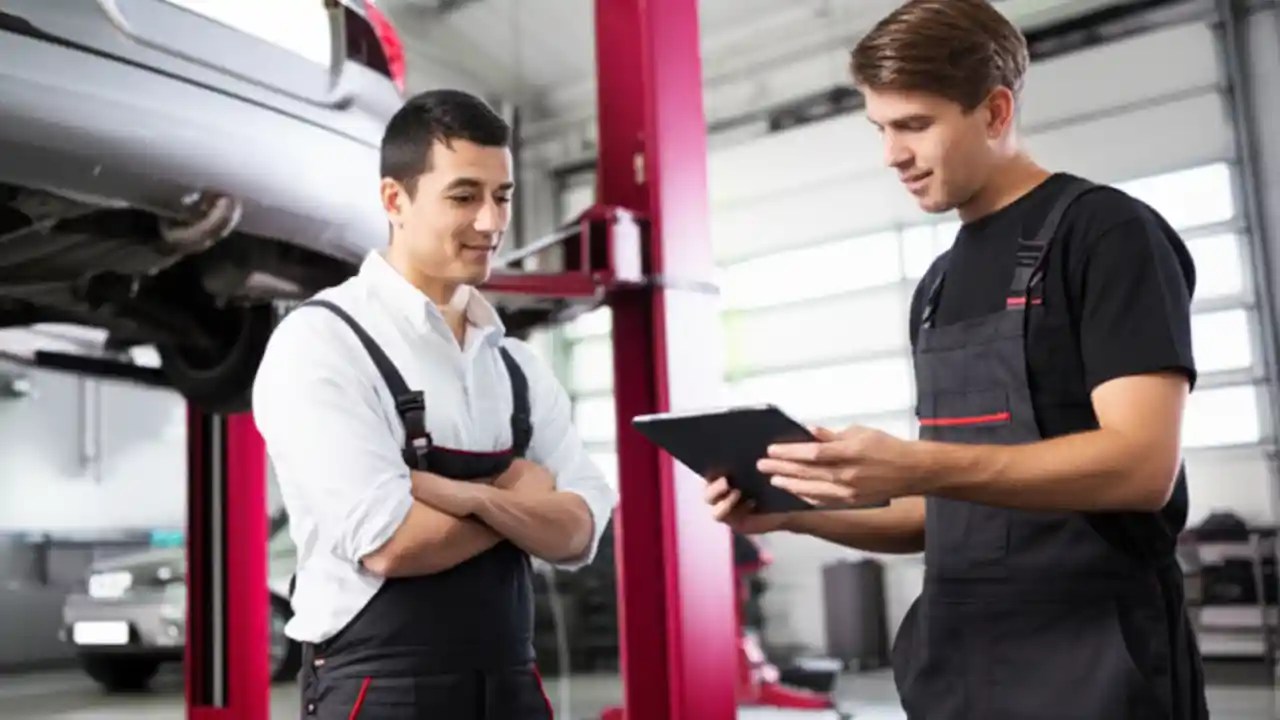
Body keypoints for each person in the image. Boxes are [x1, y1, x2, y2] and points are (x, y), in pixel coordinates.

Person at [704, 1, 1208, 718]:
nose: (892, 155)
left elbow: (1141, 467)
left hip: (1096, 662)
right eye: (880, 128)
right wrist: (790, 516)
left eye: (914, 125)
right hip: (962, 662)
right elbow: (935, 515)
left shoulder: (1107, 235)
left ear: (996, 111)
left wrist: (916, 463)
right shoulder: (938, 286)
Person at [252, 89, 618, 720]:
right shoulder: (324, 342)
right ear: (395, 199)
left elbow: (581, 529)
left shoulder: (517, 367)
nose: (491, 222)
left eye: (501, 197)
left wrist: (465, 495)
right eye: (463, 196)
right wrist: (518, 494)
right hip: (381, 693)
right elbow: (392, 542)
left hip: (513, 688)